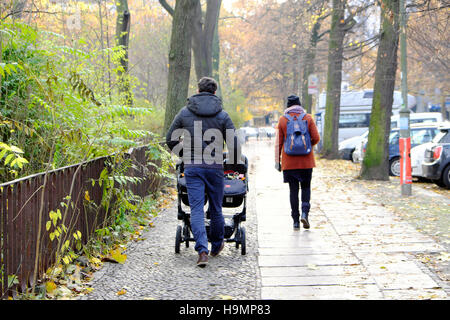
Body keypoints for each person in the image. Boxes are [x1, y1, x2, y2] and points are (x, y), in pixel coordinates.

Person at [166, 77, 239, 267]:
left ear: (198, 91)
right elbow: (234, 144)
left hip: (193, 167)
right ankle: (216, 245)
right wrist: (232, 164)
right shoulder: (223, 115)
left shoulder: (185, 112)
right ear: (214, 93)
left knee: (196, 208)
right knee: (216, 208)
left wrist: (185, 153)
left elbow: (170, 139)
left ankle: (202, 251)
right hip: (215, 167)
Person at [275, 95, 320, 229]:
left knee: (293, 190)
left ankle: (295, 220)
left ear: (288, 106)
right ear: (299, 105)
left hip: (289, 163)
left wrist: (277, 161)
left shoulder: (283, 120)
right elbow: (316, 138)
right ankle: (305, 214)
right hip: (306, 162)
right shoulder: (308, 118)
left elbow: (278, 143)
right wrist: (307, 147)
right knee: (306, 187)